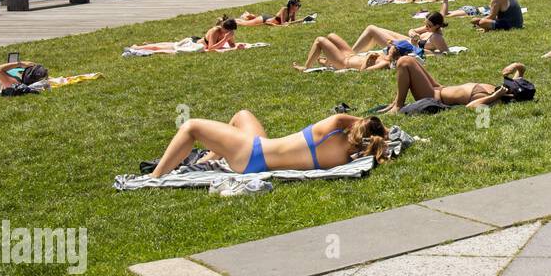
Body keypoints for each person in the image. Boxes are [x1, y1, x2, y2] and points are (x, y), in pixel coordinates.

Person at [148, 111, 389, 178]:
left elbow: (345, 119)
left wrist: (379, 126)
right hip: (258, 159)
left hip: (249, 153)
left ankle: (155, 178)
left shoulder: (330, 130)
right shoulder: (345, 157)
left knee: (191, 126)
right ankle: (208, 160)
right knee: (243, 116)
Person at [385, 56, 524, 111]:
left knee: (404, 62)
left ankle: (398, 105)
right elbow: (521, 72)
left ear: (512, 95)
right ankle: (396, 101)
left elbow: (470, 107)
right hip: (439, 88)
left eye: (512, 86)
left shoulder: (497, 100)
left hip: (433, 97)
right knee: (411, 60)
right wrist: (516, 66)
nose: (509, 84)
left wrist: (494, 96)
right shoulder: (506, 90)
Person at [294, 33, 411, 71]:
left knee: (320, 40)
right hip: (351, 55)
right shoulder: (385, 56)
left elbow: (364, 71)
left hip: (344, 62)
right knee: (331, 36)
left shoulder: (385, 63)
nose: (390, 46)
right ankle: (328, 62)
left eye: (392, 46)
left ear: (395, 50)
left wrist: (368, 57)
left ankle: (305, 67)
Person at [236, 0, 300, 26]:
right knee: (245, 24)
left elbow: (293, 22)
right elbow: (283, 24)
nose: (298, 7)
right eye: (297, 5)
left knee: (249, 21)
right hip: (265, 20)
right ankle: (232, 21)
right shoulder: (284, 9)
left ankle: (249, 16)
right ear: (291, 5)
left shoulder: (293, 11)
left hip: (270, 18)